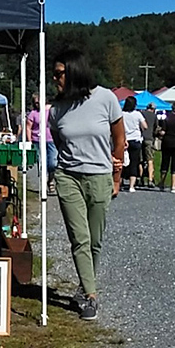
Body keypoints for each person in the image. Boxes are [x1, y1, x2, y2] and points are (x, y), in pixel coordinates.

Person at [49, 47, 125, 321]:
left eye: (58, 73)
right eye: (54, 74)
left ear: (74, 71)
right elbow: (59, 143)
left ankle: (84, 284)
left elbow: (119, 140)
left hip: (100, 176)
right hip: (68, 176)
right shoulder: (57, 108)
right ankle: (91, 296)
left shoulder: (106, 98)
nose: (55, 79)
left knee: (95, 240)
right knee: (79, 238)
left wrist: (117, 177)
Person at [26, 92, 57, 195]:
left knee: (52, 163)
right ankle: (45, 185)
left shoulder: (51, 111)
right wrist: (29, 141)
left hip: (51, 140)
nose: (38, 104)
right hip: (37, 140)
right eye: (36, 103)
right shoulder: (33, 114)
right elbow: (28, 127)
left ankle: (51, 179)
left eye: (39, 102)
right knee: (41, 164)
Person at [121, 95, 147, 192]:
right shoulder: (138, 114)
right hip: (135, 140)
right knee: (134, 162)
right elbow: (145, 126)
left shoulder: (122, 114)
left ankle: (120, 181)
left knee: (122, 162)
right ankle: (131, 186)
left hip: (124, 140)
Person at [140, 102, 158, 188]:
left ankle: (140, 179)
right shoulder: (154, 116)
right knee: (149, 159)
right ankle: (150, 179)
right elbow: (156, 128)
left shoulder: (141, 113)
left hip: (140, 138)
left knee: (140, 160)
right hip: (149, 139)